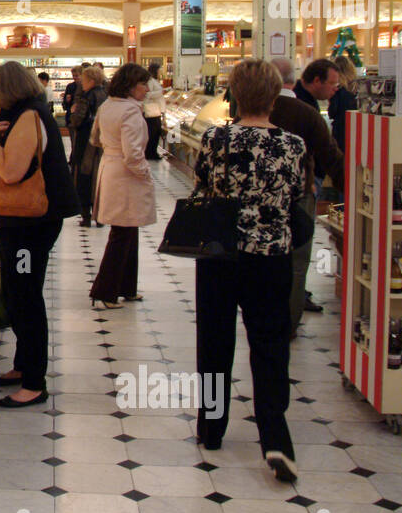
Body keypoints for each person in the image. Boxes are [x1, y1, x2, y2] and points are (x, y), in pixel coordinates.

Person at [193, 59, 306, 483]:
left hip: (220, 253)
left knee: (215, 342)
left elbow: (204, 184)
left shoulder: (216, 138)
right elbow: (295, 193)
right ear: (275, 95)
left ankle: (212, 428)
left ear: (234, 94)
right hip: (271, 256)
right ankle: (276, 437)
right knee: (271, 344)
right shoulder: (292, 145)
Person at [0, 61, 79, 407]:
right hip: (23, 224)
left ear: (4, 90)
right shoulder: (27, 113)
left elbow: (9, 172)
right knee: (21, 291)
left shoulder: (27, 118)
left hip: (28, 227)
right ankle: (23, 366)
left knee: (26, 296)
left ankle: (34, 382)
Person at [269, 58, 345, 331]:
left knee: (267, 260)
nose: (336, 89)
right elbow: (331, 156)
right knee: (297, 261)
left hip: (264, 199)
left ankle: (266, 317)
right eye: (334, 83)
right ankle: (288, 321)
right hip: (300, 196)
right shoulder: (307, 113)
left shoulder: (258, 110)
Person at [88, 63, 155, 309]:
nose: (147, 89)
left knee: (128, 228)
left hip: (110, 168)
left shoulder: (108, 105)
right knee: (122, 232)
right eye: (143, 84)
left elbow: (94, 138)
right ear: (130, 86)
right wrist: (145, 173)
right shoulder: (131, 112)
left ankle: (127, 287)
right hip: (126, 176)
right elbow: (133, 154)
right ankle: (105, 291)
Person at [68, 64, 106, 226]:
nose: (81, 83)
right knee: (98, 176)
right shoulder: (105, 95)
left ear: (90, 80)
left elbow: (77, 119)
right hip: (102, 140)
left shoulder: (86, 97)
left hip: (85, 140)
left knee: (84, 175)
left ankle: (85, 214)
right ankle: (100, 214)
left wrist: (73, 114)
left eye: (83, 79)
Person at [329, 55, 360, 152]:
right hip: (357, 128)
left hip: (340, 131)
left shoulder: (337, 89)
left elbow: (332, 112)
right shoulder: (358, 87)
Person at [143, 62, 165, 160]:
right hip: (151, 111)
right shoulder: (150, 80)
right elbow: (148, 95)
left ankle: (152, 152)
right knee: (153, 133)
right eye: (160, 69)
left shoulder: (154, 80)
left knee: (155, 133)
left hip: (155, 110)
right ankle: (151, 153)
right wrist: (162, 92)